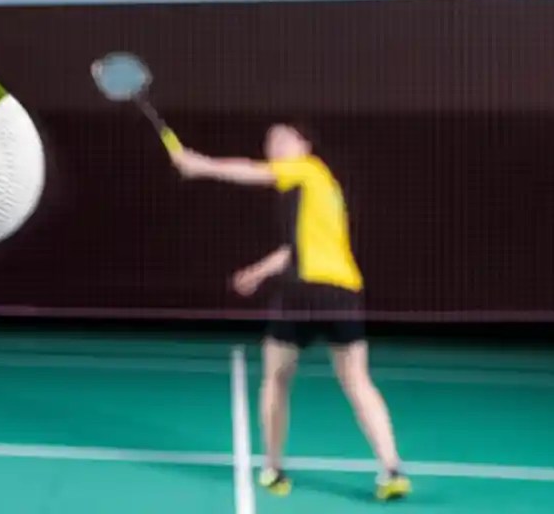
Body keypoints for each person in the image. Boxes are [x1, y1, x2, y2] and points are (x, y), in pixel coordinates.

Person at [169, 123, 411, 501]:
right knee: (350, 381)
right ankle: (392, 469)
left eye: (284, 138)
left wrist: (201, 165)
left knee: (281, 379)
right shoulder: (319, 189)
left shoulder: (308, 168)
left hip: (306, 293)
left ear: (305, 145)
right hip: (342, 292)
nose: (274, 145)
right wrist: (258, 271)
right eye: (269, 141)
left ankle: (273, 467)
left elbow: (254, 171)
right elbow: (295, 250)